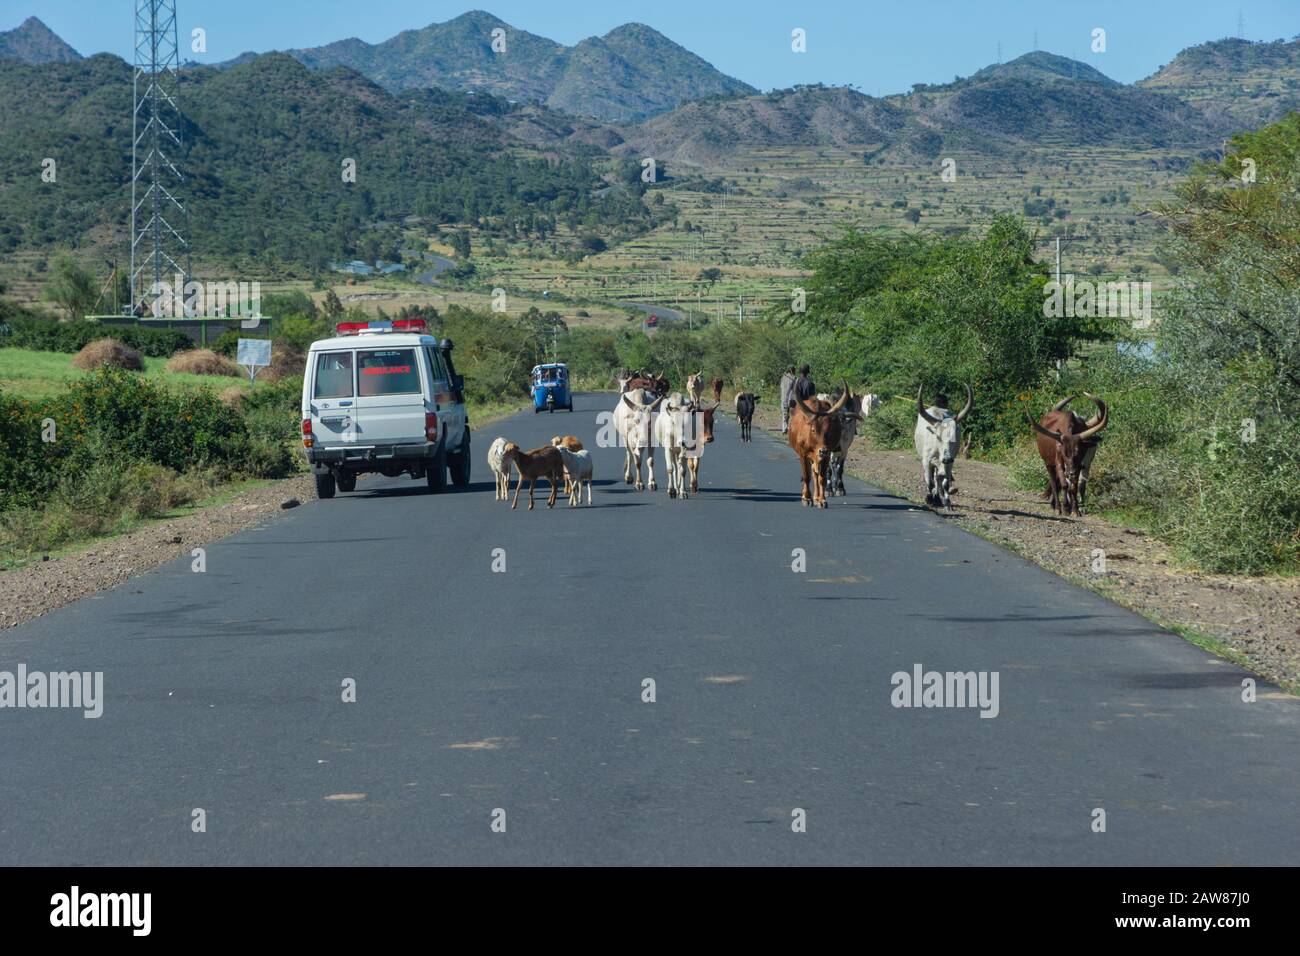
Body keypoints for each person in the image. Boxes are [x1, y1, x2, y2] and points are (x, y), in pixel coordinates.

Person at [778, 366, 796, 433]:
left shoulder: (783, 378)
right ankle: (788, 428)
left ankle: (784, 428)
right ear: (792, 370)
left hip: (783, 398)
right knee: (791, 414)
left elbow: (781, 387)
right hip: (791, 399)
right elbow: (794, 390)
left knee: (784, 414)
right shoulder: (793, 378)